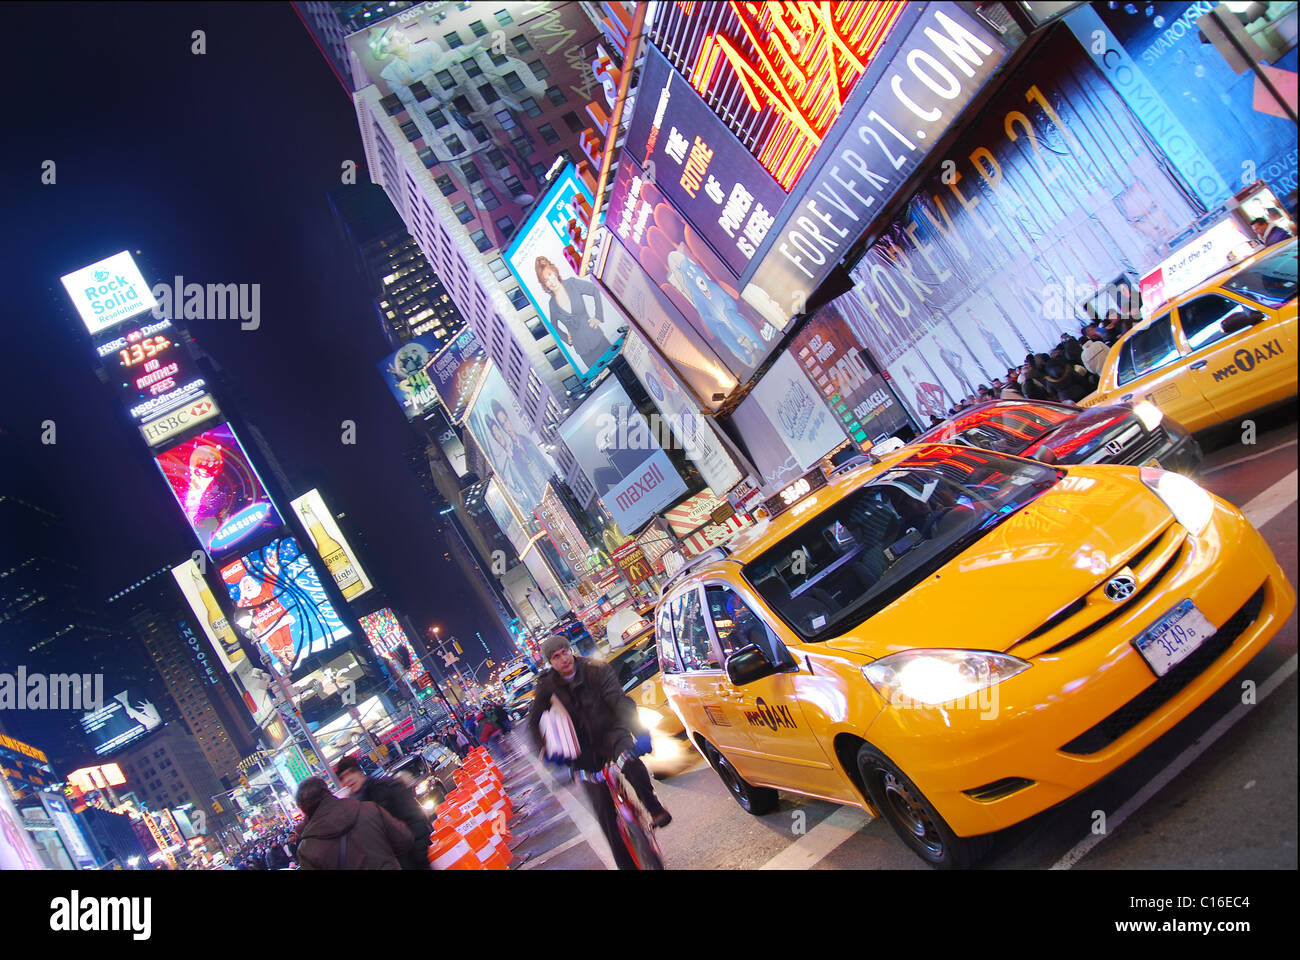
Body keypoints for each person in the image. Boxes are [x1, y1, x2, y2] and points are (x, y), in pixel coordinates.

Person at [528, 635, 671, 870]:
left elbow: (619, 702)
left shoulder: (596, 670)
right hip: (581, 750)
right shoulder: (547, 686)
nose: (563, 658)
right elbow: (535, 724)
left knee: (632, 763)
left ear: (571, 650)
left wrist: (640, 732)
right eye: (556, 656)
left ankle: (654, 808)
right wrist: (548, 753)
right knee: (605, 814)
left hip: (611, 733)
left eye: (565, 652)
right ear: (550, 662)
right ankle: (626, 865)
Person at [293, 777, 413, 870]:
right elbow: (405, 839)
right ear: (328, 792)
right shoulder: (369, 809)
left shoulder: (307, 850)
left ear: (303, 809)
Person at [335, 756, 432, 871]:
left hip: (413, 861)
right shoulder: (352, 809)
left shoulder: (387, 787)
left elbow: (416, 820)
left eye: (350, 772)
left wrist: (420, 857)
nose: (348, 779)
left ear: (360, 771)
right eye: (342, 778)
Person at [535, 255, 616, 370]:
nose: (551, 281)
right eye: (546, 280)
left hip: (597, 339)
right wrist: (566, 338)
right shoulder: (552, 304)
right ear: (545, 285)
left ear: (554, 272)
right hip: (583, 352)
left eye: (550, 275)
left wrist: (598, 316)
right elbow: (553, 326)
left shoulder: (572, 283)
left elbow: (594, 289)